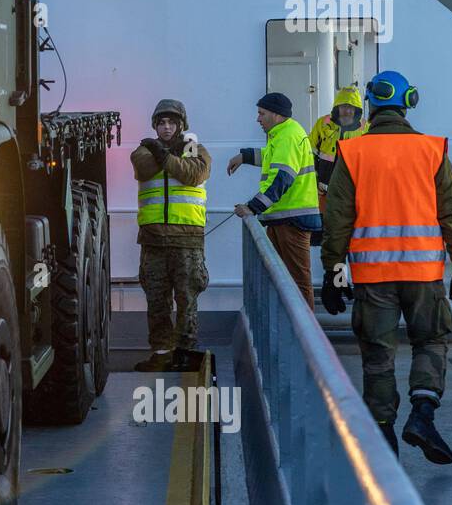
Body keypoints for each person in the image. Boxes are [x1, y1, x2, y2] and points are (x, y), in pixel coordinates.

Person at [319, 70, 452, 463]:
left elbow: (338, 218)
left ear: (370, 106)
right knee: (430, 341)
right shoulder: (432, 150)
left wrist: (332, 269)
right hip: (424, 277)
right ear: (410, 102)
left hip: (373, 278)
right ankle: (422, 415)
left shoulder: (353, 153)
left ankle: (383, 438)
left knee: (378, 354)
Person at [130, 99, 212, 372]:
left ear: (181, 125)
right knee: (157, 300)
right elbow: (144, 168)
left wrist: (165, 156)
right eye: (161, 123)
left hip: (187, 240)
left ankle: (185, 353)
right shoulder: (144, 150)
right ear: (155, 125)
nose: (166, 128)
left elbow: (195, 173)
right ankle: (161, 354)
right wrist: (166, 155)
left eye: (171, 123)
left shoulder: (195, 150)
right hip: (154, 240)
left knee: (187, 299)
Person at [227, 92, 319, 307]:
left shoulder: (287, 136)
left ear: (277, 115)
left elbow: (282, 178)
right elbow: (270, 156)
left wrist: (253, 207)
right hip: (286, 218)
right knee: (285, 280)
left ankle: (304, 336)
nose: (258, 119)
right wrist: (245, 156)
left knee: (296, 281)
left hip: (292, 219)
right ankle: (297, 333)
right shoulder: (284, 134)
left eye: (262, 113)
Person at [308, 85, 369, 236]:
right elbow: (308, 152)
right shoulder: (323, 123)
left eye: (351, 107)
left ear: (357, 109)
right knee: (322, 229)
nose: (347, 111)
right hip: (323, 187)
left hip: (352, 188)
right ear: (337, 106)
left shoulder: (366, 127)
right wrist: (314, 179)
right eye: (344, 106)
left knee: (348, 226)